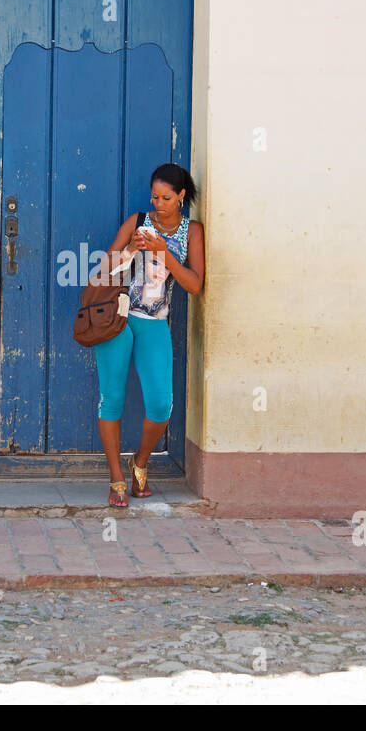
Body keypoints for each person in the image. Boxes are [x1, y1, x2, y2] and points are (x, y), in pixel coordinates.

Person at [93, 163, 205, 507]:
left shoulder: (193, 232)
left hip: (155, 323)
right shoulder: (138, 221)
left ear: (181, 197)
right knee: (111, 397)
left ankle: (140, 462)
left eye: (166, 198)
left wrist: (164, 253)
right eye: (155, 196)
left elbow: (195, 285)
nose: (158, 204)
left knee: (160, 404)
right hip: (119, 319)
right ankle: (116, 479)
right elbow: (103, 270)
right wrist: (131, 251)